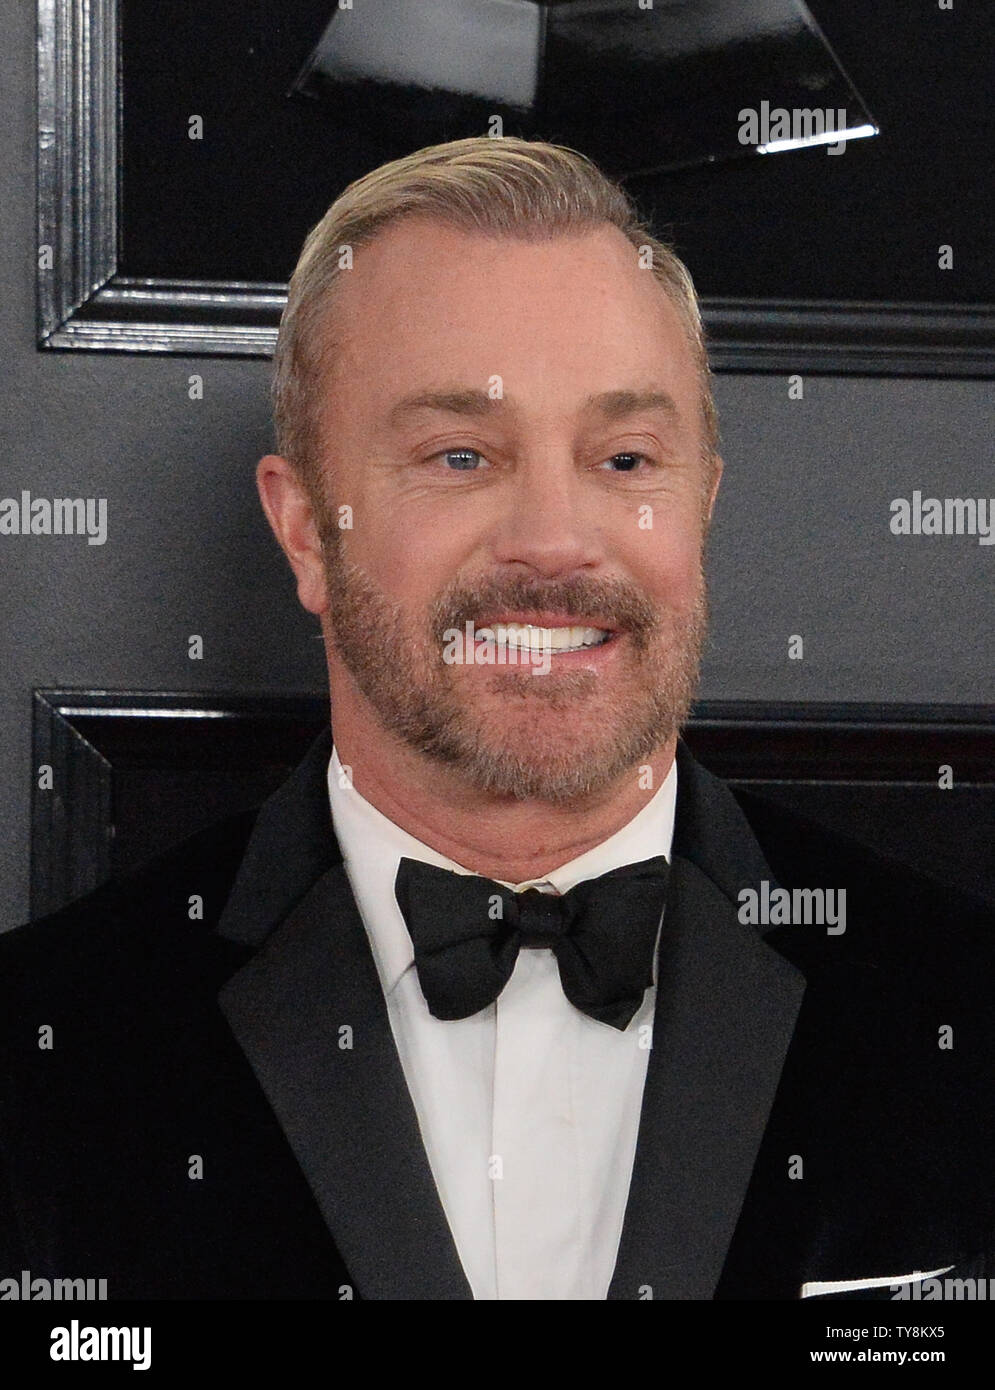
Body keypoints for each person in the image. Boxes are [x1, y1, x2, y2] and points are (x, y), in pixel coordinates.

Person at [1, 136, 993, 1302]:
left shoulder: (962, 1015)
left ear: (700, 504)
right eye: (460, 455)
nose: (554, 538)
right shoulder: (39, 1055)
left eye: (624, 456)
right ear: (309, 529)